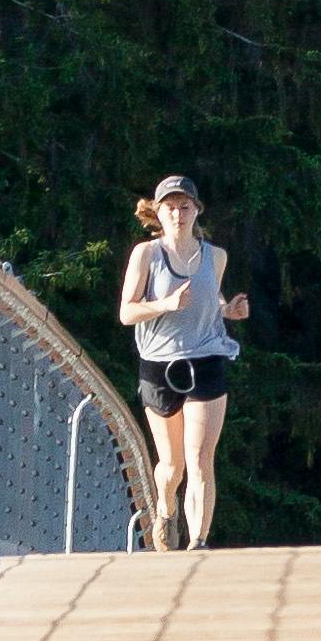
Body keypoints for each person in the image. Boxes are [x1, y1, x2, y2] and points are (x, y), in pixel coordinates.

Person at [117, 172, 247, 551]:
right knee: (172, 466)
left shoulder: (215, 256)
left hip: (206, 360)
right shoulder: (147, 254)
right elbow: (127, 312)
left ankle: (198, 543)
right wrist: (165, 305)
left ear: (196, 211)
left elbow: (211, 302)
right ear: (158, 212)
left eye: (184, 207)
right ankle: (165, 508)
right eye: (170, 208)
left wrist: (229, 311)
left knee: (200, 458)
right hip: (159, 367)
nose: (178, 214)